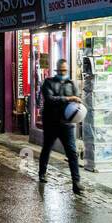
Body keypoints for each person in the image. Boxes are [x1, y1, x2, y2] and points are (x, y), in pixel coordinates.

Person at [38, 58, 84, 194]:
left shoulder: (71, 84)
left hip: (67, 124)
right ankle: (42, 173)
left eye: (65, 70)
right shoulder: (48, 82)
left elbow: (77, 101)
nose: (63, 72)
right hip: (51, 122)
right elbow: (50, 99)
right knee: (47, 148)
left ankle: (76, 182)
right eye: (61, 70)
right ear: (57, 70)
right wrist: (69, 99)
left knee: (72, 153)